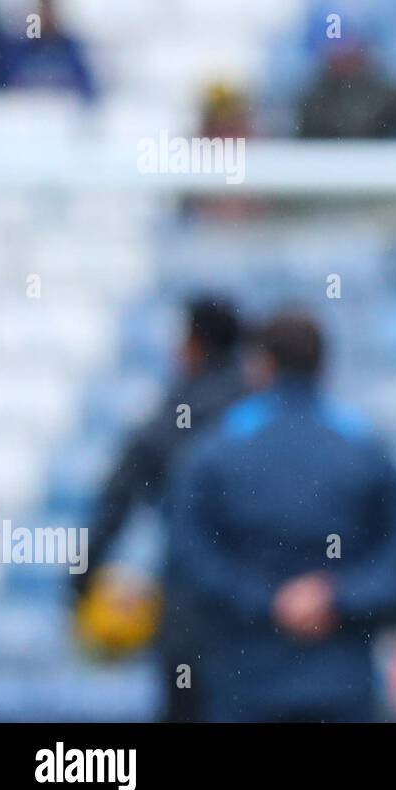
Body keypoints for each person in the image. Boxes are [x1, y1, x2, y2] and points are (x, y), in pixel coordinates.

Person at [169, 312, 396, 721]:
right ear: (322, 366)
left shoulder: (216, 450)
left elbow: (188, 554)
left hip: (245, 684)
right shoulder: (366, 449)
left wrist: (268, 601)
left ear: (261, 365)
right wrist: (338, 597)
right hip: (342, 686)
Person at [71, 296, 246, 722]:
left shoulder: (174, 414)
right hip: (263, 616)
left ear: (193, 345)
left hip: (190, 608)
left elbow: (117, 500)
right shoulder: (262, 409)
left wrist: (81, 579)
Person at [4, 0, 96, 100]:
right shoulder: (19, 51)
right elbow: (2, 91)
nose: (46, 14)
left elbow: (89, 90)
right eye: (42, 7)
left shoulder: (71, 50)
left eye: (50, 7)